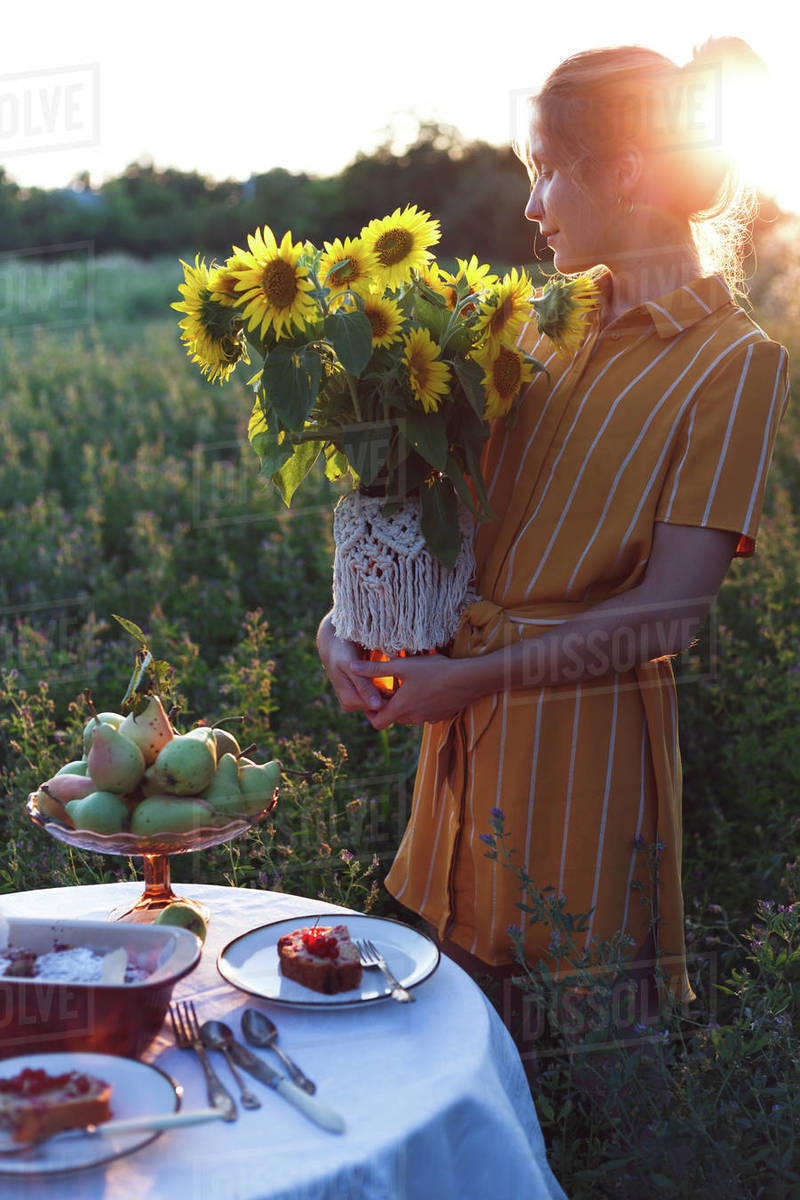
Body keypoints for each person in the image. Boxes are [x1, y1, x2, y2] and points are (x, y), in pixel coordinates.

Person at [316, 39, 789, 1024]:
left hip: (580, 759)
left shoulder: (730, 362)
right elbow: (442, 522)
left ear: (619, 172)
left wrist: (471, 677)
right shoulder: (529, 324)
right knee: (450, 1038)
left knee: (605, 1068)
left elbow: (663, 617)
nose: (531, 206)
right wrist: (349, 622)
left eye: (543, 171)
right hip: (458, 738)